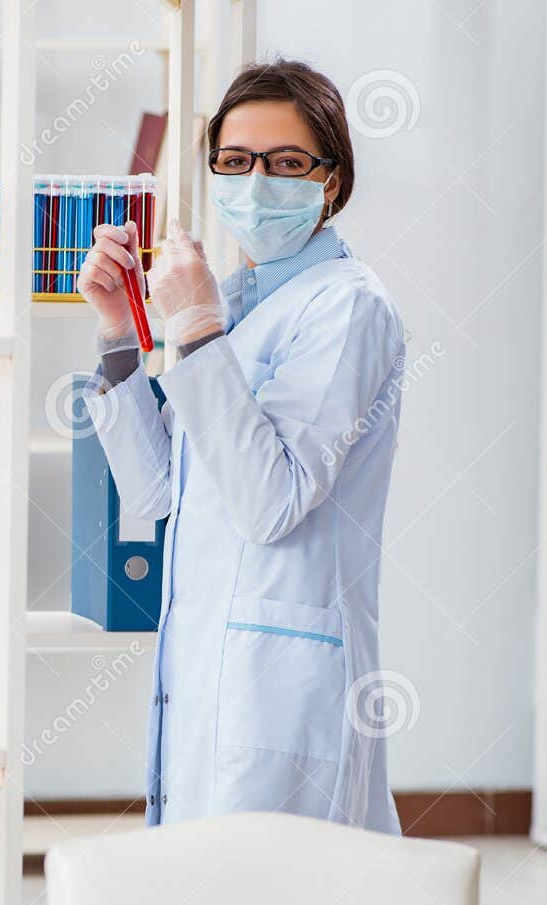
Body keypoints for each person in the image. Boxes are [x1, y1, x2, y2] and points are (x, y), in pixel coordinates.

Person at [77, 60, 405, 833]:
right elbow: (160, 496)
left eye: (287, 163)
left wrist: (193, 332)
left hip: (286, 688)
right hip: (206, 671)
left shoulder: (348, 308)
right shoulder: (235, 302)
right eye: (234, 161)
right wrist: (120, 338)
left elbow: (269, 503)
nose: (255, 183)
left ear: (331, 181)